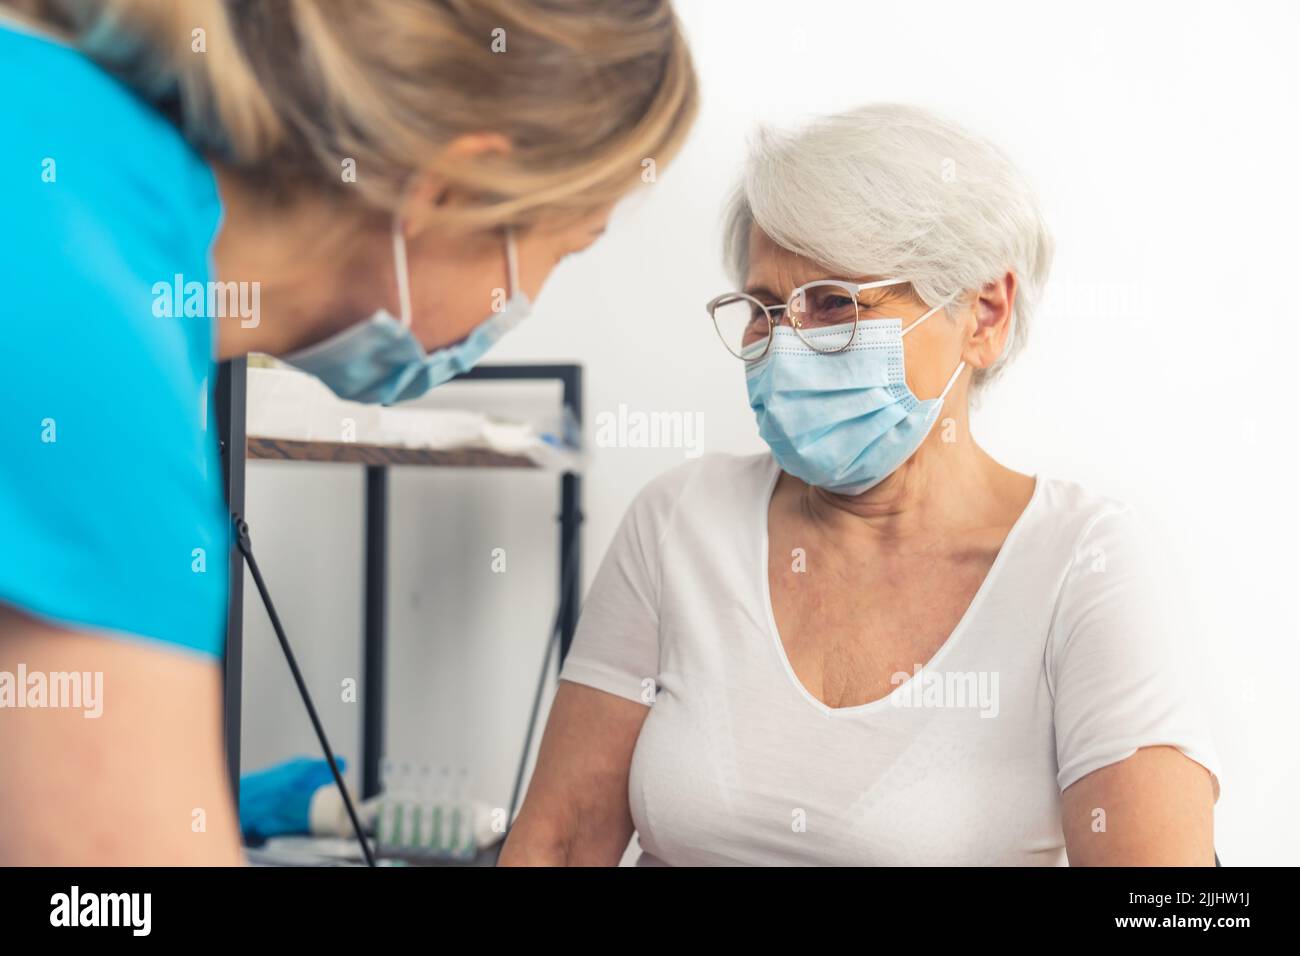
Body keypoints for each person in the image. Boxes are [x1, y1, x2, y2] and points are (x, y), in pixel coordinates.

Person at [0, 0, 697, 864]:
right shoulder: (91, 311)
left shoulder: (68, 149)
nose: (526, 306)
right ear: (447, 191)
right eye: (568, 249)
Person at [501, 104, 1222, 866]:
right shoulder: (681, 520)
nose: (787, 345)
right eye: (766, 310)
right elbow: (560, 838)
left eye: (835, 303)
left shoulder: (1082, 564)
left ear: (984, 313)